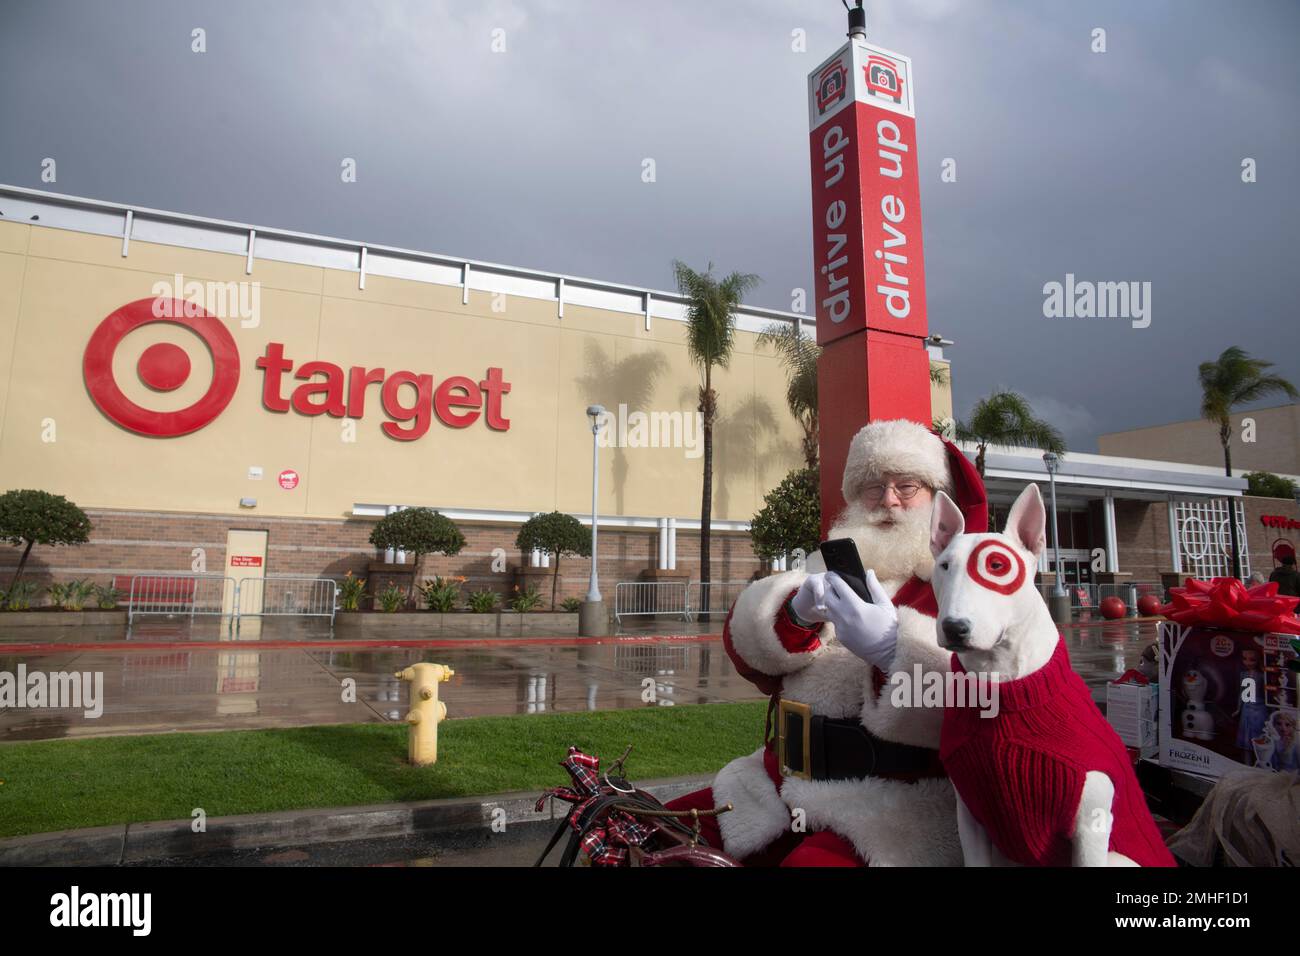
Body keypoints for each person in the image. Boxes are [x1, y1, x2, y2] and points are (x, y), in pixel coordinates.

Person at [664, 418, 987, 865]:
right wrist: (794, 615)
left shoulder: (965, 584)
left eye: (907, 486)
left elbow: (991, 699)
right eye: (872, 487)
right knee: (652, 830)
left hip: (894, 802)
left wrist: (894, 649)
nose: (888, 500)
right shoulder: (825, 566)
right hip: (780, 783)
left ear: (937, 496)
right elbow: (750, 661)